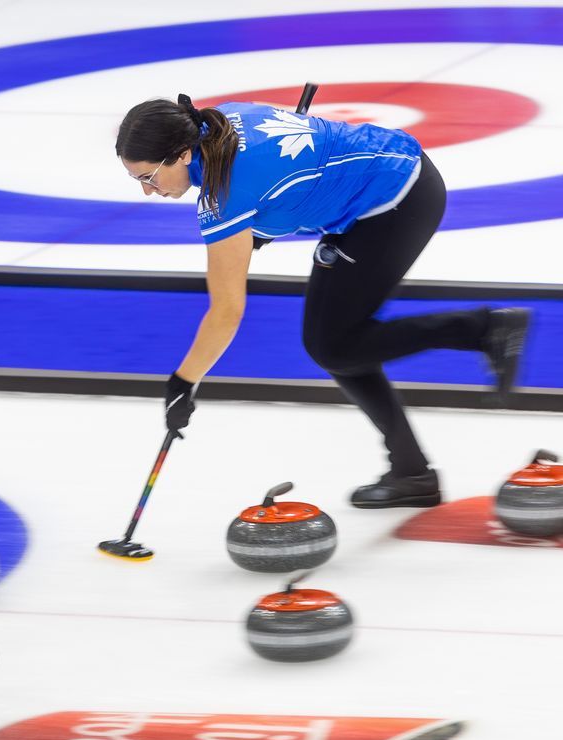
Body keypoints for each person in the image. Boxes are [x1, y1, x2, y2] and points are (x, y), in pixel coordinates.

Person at [115, 93, 530, 509]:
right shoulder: (220, 120)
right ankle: (411, 470)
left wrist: (183, 382)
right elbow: (281, 170)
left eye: (148, 177)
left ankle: (485, 331)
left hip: (396, 198)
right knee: (333, 345)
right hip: (379, 181)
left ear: (183, 153)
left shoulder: (223, 195)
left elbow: (227, 311)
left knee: (334, 345)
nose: (149, 192)